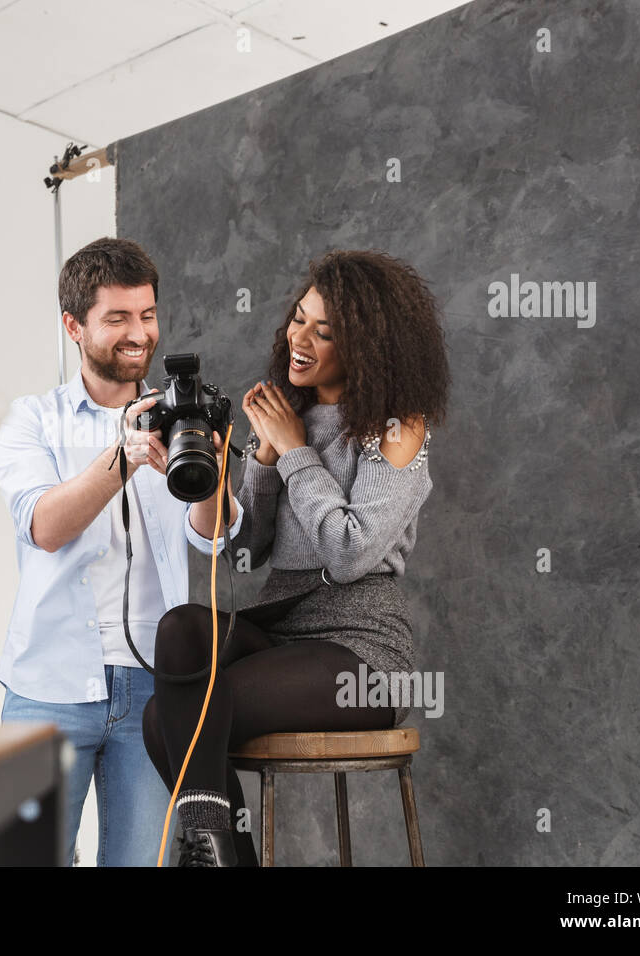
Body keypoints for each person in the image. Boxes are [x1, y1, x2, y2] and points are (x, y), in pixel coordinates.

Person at [141, 249, 452, 866]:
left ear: (366, 345)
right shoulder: (292, 414)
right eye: (299, 319)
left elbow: (348, 553)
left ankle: (212, 854)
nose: (299, 339)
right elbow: (246, 550)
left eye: (325, 331)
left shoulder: (398, 427)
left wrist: (293, 452)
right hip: (282, 630)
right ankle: (221, 850)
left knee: (176, 716)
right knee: (179, 633)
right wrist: (251, 462)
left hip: (361, 656)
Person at [0, 237, 243, 866]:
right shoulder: (33, 420)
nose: (139, 334)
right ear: (73, 326)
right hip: (48, 686)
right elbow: (44, 526)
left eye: (148, 314)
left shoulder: (180, 419)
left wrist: (210, 469)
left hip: (155, 690)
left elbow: (212, 536)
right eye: (118, 318)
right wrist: (121, 459)